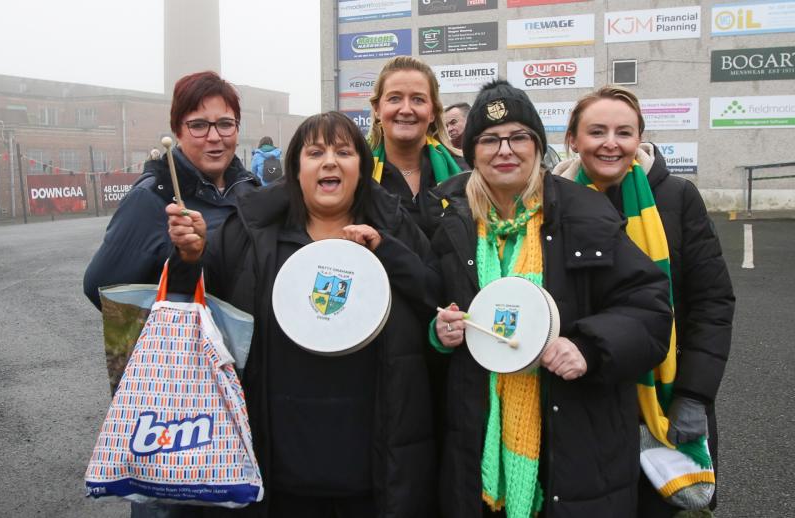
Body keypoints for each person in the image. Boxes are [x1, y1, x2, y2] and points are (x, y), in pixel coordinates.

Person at [166, 111, 441, 517]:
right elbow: (192, 317)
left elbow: (436, 303)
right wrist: (189, 258)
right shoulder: (250, 235)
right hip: (278, 475)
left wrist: (387, 252)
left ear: (362, 170)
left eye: (343, 152)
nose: (330, 161)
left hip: (375, 475)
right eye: (315, 152)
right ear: (295, 170)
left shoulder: (395, 230)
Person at [430, 80, 673, 517]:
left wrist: (589, 347)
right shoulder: (448, 220)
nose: (505, 150)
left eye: (519, 136)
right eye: (489, 139)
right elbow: (426, 309)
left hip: (575, 444)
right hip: (478, 441)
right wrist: (438, 331)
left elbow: (648, 307)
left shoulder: (585, 212)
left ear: (538, 146)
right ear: (470, 150)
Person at [554, 85, 735, 517]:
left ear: (640, 139)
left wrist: (694, 394)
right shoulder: (550, 203)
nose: (611, 143)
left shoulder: (676, 197)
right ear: (573, 140)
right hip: (586, 391)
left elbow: (712, 300)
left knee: (667, 508)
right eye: (597, 131)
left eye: (624, 132)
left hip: (666, 398)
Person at [83, 71, 259, 310]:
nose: (215, 137)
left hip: (245, 344)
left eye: (226, 124)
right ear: (177, 131)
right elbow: (103, 290)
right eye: (198, 125)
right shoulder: (152, 198)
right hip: (188, 343)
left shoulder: (249, 189)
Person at [368, 55, 465, 237]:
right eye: (395, 98)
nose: (406, 109)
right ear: (377, 109)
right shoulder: (357, 176)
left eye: (418, 100)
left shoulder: (465, 174)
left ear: (433, 112)